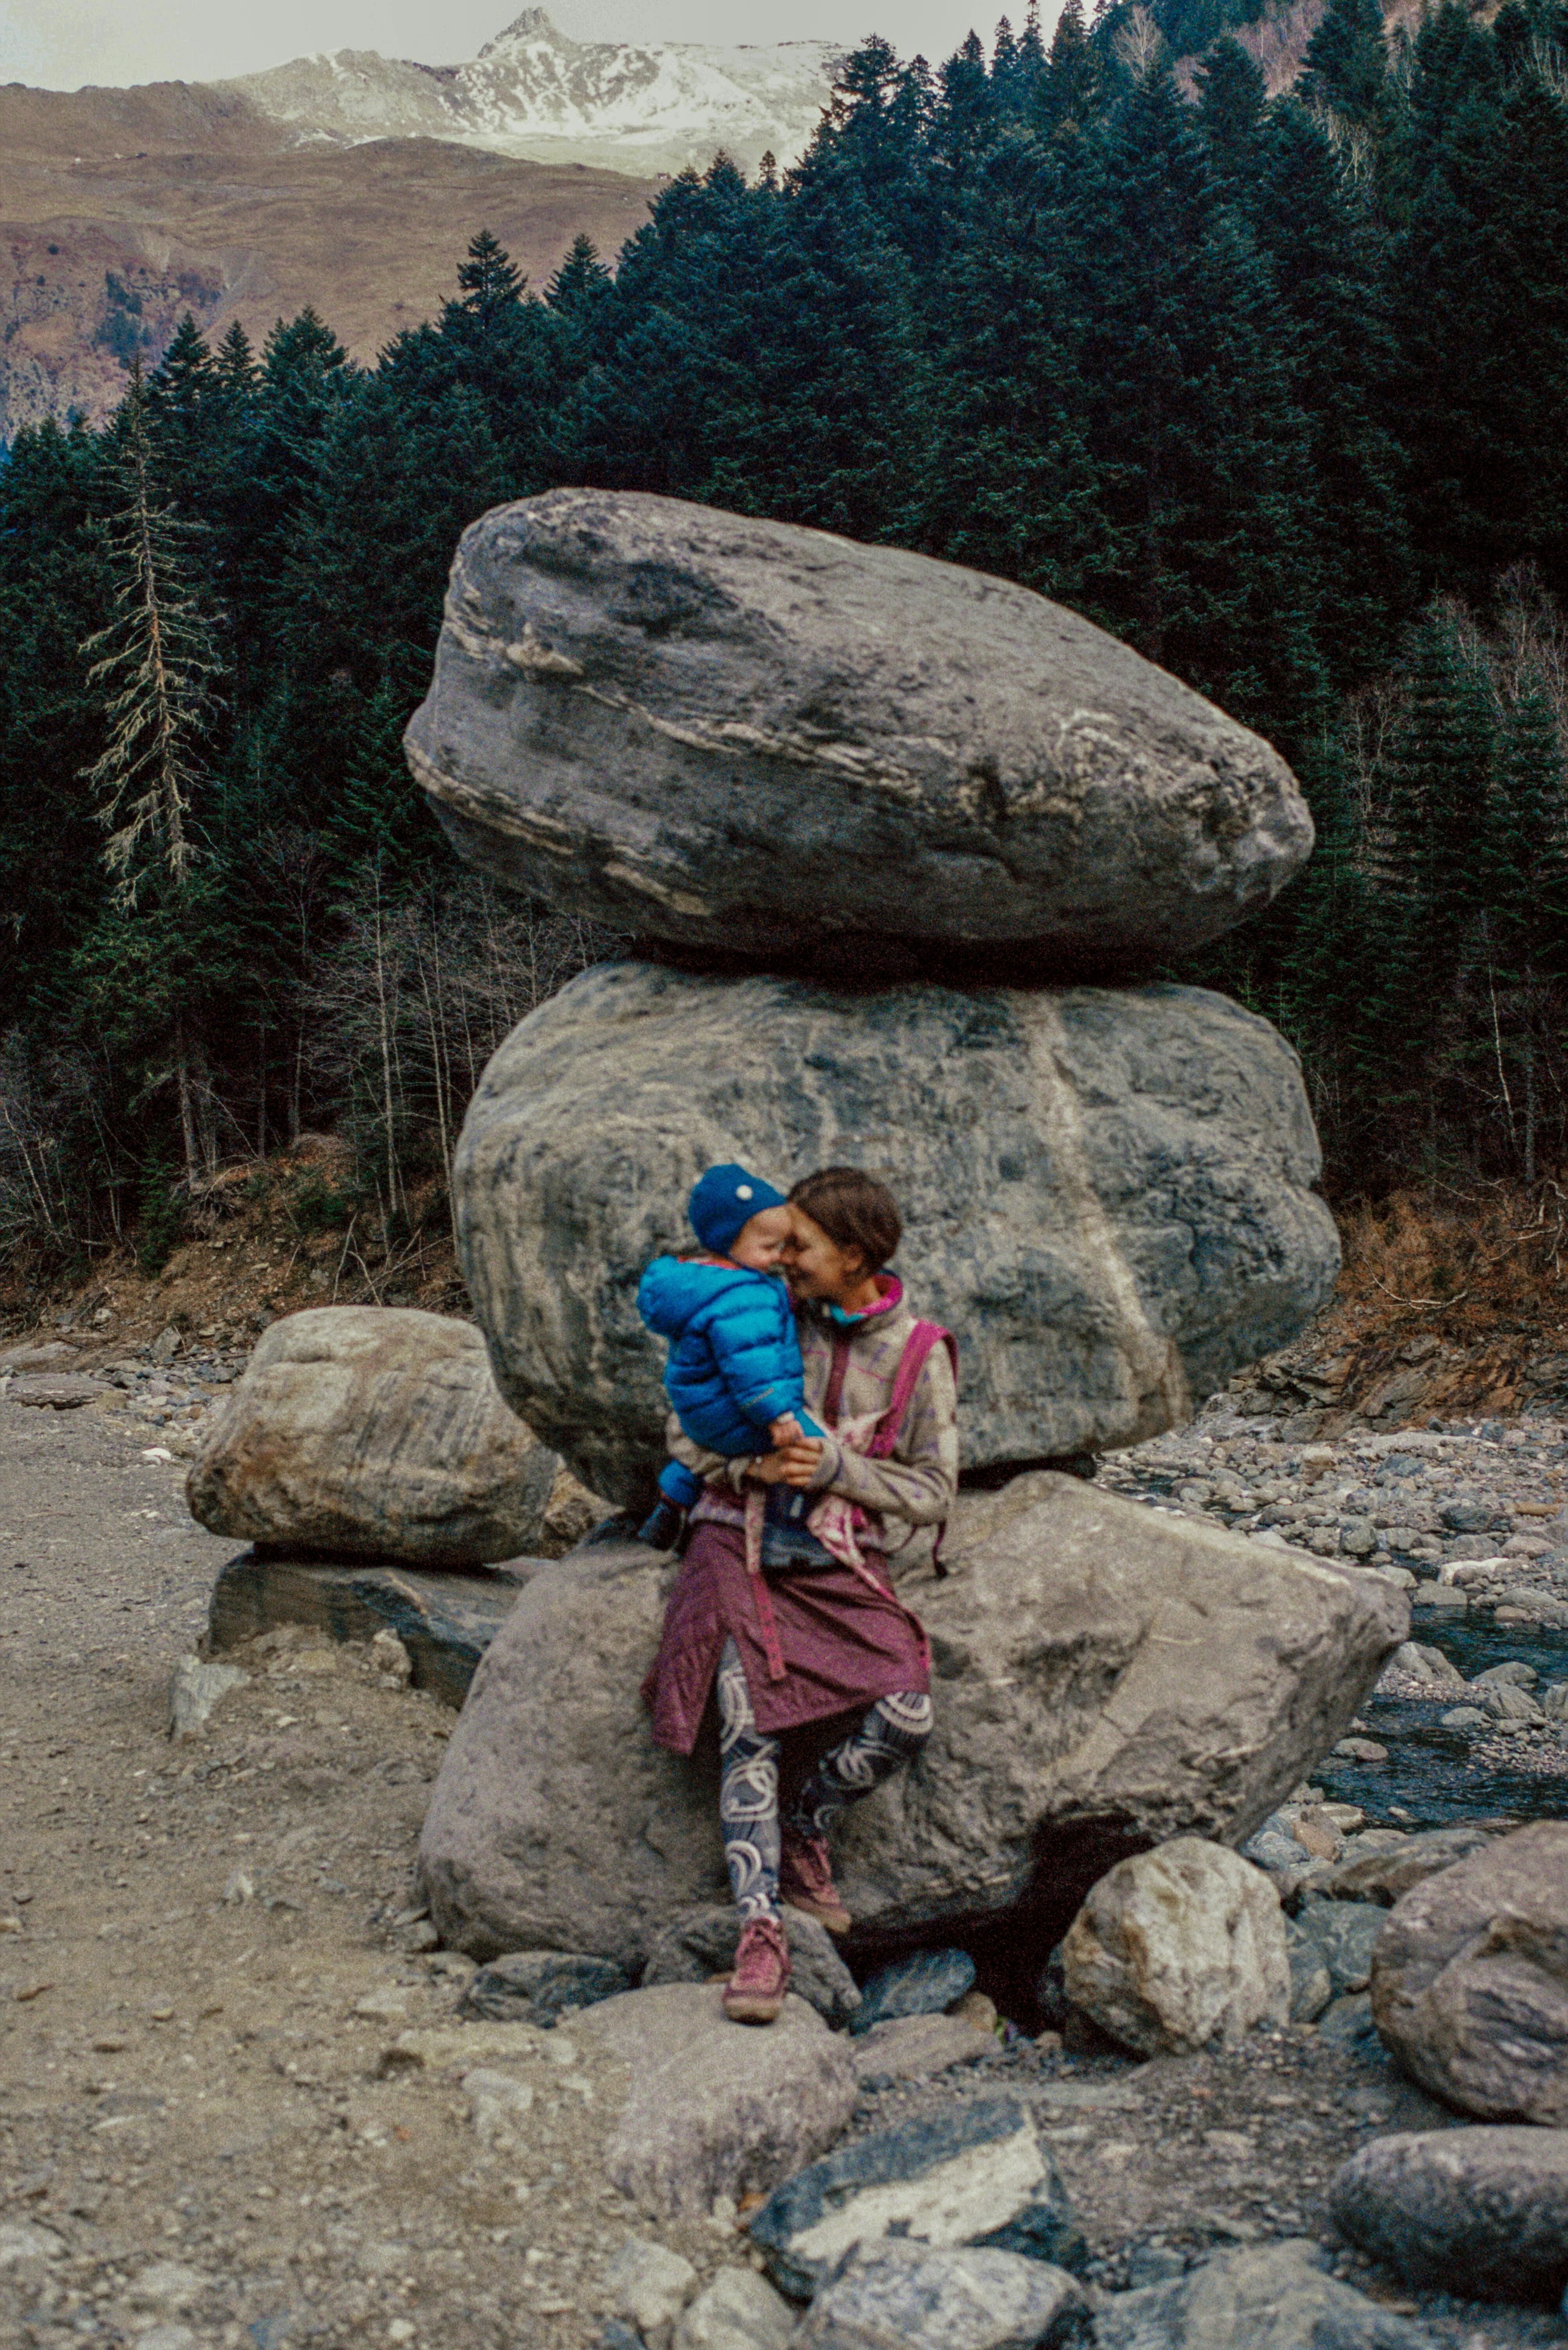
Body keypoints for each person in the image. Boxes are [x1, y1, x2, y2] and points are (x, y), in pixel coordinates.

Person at [641, 1166, 958, 2025]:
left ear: (852, 1256)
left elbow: (934, 1490)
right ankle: (761, 1934)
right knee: (749, 1728)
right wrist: (746, 1464)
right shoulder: (757, 1310)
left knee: (906, 1712)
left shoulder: (919, 1353)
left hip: (838, 1559)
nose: (783, 1260)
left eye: (802, 1247)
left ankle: (804, 1825)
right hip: (736, 1542)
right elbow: (684, 1428)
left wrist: (835, 1468)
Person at [634, 1163, 829, 1552]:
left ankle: (667, 1512)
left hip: (699, 1412)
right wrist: (777, 1414)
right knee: (812, 1448)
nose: (778, 1257)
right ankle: (797, 1532)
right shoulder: (741, 1298)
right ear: (729, 1241)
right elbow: (750, 1366)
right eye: (768, 1247)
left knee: (707, 1455)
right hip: (741, 1408)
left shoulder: (701, 1281)